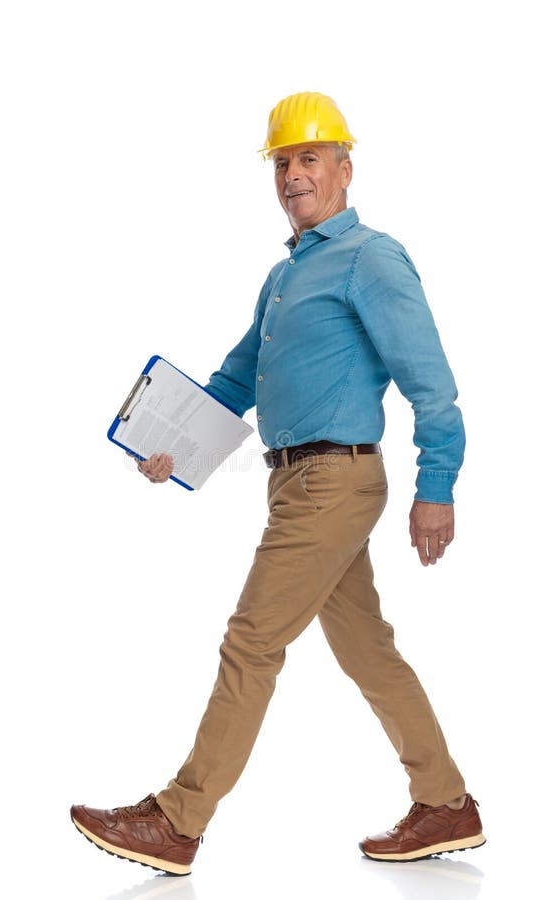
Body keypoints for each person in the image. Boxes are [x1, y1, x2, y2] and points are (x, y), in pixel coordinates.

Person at [70, 92, 485, 875]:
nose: (295, 175)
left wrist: (440, 482)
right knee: (369, 651)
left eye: (310, 159)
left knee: (252, 641)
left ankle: (178, 821)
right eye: (284, 161)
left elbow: (431, 382)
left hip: (336, 480)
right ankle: (446, 804)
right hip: (293, 484)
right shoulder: (286, 274)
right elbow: (234, 381)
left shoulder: (372, 257)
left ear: (345, 168)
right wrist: (172, 448)